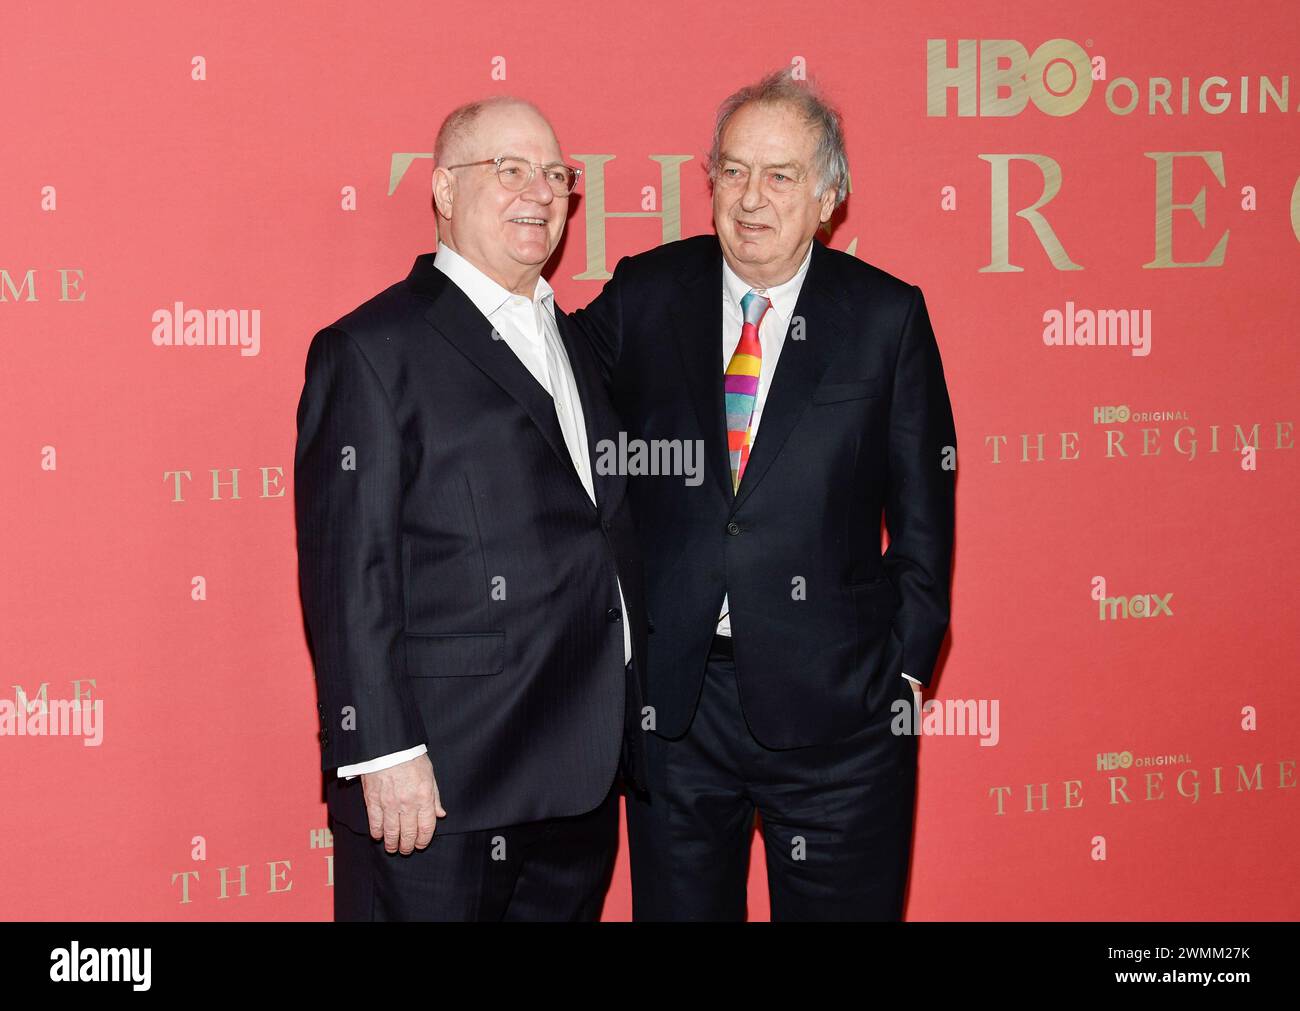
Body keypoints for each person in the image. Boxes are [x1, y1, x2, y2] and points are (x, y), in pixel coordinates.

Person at [570, 69, 957, 920]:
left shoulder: (887, 318)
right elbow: (547, 380)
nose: (751, 198)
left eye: (780, 176)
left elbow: (927, 520)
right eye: (734, 170)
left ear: (827, 198)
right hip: (679, 714)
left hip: (842, 719)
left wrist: (902, 673)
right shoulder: (648, 291)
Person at [293, 95, 648, 921]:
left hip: (579, 786)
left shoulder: (578, 344)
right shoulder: (372, 351)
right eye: (509, 169)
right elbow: (349, 570)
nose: (539, 191)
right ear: (444, 191)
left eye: (556, 175)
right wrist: (381, 748)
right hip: (439, 790)